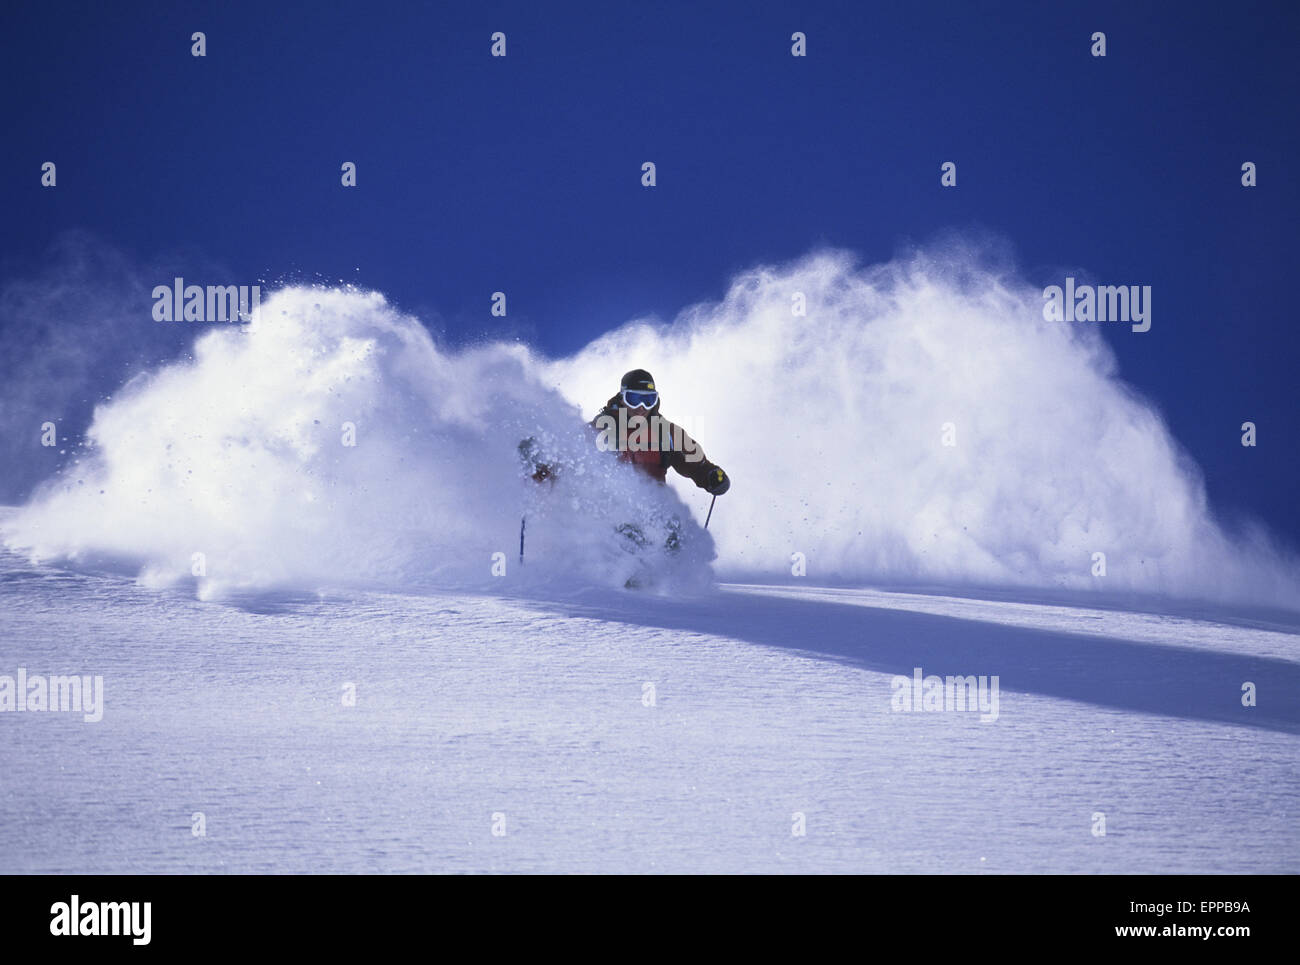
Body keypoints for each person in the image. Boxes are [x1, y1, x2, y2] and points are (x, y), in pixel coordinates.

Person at [587, 369, 730, 496]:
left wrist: (711, 476)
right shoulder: (601, 428)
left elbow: (697, 463)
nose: (641, 407)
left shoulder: (665, 431)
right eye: (634, 399)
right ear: (622, 399)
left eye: (648, 400)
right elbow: (572, 453)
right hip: (612, 509)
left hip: (656, 514)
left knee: (669, 522)